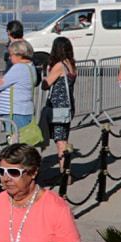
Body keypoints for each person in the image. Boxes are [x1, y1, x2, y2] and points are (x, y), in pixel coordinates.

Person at [45, 36, 79, 178]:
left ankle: (64, 174)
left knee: (60, 142)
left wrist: (46, 74)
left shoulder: (58, 66)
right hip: (68, 105)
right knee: (64, 138)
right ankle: (67, 171)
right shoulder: (71, 64)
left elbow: (46, 84)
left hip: (58, 107)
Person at [0, 39, 37, 132]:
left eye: (11, 55)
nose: (9, 58)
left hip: (15, 112)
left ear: (19, 54)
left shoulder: (19, 67)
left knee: (15, 141)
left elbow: (1, 85)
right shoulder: (31, 66)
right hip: (24, 110)